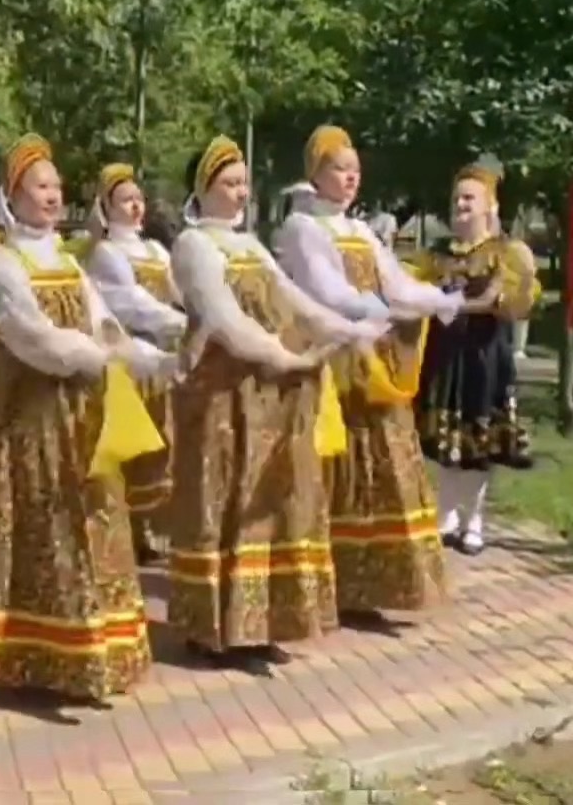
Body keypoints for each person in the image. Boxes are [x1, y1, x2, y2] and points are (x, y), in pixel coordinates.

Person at [0, 134, 170, 704]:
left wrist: (156, 360)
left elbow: (105, 325)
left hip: (83, 417)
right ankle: (30, 657)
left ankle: (92, 655)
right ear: (12, 196)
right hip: (32, 423)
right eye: (39, 186)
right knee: (39, 530)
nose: (51, 196)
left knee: (93, 525)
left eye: (55, 186)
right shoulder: (2, 263)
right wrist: (97, 358)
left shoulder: (70, 264)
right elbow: (37, 339)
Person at [165, 136, 380, 669]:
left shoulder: (249, 245)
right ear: (204, 187)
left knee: (263, 500)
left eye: (244, 183)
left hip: (264, 393)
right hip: (219, 393)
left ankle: (256, 624)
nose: (241, 193)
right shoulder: (194, 245)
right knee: (220, 500)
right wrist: (280, 355)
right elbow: (223, 319)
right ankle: (210, 629)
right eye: (230, 183)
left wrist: (348, 329)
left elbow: (293, 298)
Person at [274, 125, 460, 629]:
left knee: (384, 460)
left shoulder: (359, 231)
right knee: (338, 462)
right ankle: (329, 579)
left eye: (356, 170)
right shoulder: (302, 228)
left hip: (373, 357)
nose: (351, 178)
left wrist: (443, 300)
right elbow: (326, 290)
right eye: (340, 169)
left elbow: (397, 283)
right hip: (333, 357)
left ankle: (372, 581)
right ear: (316, 173)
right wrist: (378, 311)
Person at [413, 158, 540, 556]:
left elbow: (515, 306)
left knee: (480, 444)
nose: (461, 204)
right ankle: (446, 514)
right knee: (448, 441)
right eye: (457, 198)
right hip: (446, 354)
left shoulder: (506, 253)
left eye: (469, 198)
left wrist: (502, 294)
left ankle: (475, 519)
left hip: (485, 357)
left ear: (490, 206)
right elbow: (411, 292)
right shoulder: (436, 254)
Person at [83, 162, 187, 564]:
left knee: (167, 442)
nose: (135, 206)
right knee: (137, 447)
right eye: (125, 200)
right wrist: (180, 322)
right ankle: (137, 531)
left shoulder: (156, 251)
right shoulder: (107, 253)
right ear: (107, 207)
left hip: (165, 354)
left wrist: (197, 310)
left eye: (138, 199)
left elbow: (178, 289)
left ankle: (160, 528)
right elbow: (131, 304)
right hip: (132, 356)